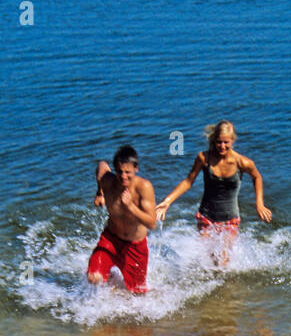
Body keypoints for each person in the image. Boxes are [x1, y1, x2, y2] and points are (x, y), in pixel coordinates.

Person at [156, 120, 271, 263]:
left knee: (223, 259)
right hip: (206, 216)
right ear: (214, 140)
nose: (222, 146)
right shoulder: (204, 158)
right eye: (219, 142)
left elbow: (257, 177)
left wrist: (259, 204)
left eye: (226, 142)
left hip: (230, 218)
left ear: (232, 140)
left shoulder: (242, 162)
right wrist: (168, 201)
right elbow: (188, 181)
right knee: (208, 260)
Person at [88, 145, 157, 294]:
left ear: (136, 169)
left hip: (135, 246)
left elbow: (152, 223)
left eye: (128, 172)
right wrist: (100, 193)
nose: (123, 176)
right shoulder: (108, 181)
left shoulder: (143, 187)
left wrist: (131, 206)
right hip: (111, 240)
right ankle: (108, 278)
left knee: (137, 293)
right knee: (94, 277)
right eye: (119, 172)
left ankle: (115, 283)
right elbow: (101, 165)